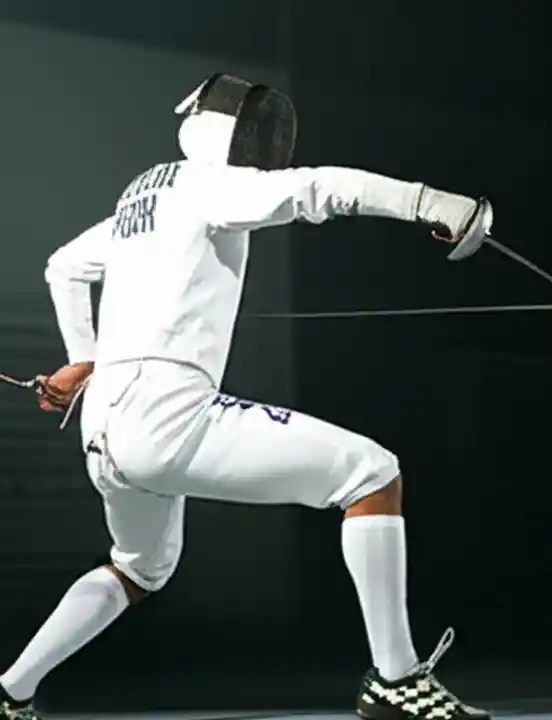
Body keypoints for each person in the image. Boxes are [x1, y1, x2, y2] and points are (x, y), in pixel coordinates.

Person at [0, 74, 491, 720]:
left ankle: (11, 691)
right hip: (165, 417)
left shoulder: (144, 195)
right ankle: (395, 680)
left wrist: (84, 361)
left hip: (103, 430)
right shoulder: (212, 184)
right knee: (372, 473)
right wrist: (433, 203)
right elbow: (320, 188)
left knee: (140, 568)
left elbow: (64, 266)